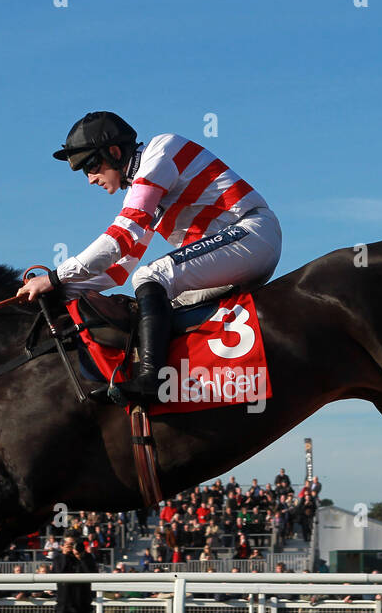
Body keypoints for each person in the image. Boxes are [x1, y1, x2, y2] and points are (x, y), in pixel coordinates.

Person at [19, 111, 282, 403]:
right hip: (234, 251)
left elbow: (120, 238)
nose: (90, 179)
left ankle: (150, 381)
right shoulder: (142, 185)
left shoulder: (161, 151)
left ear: (115, 152)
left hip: (252, 232)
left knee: (150, 276)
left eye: (91, 166)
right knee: (155, 305)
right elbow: (119, 267)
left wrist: (55, 277)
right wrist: (62, 292)